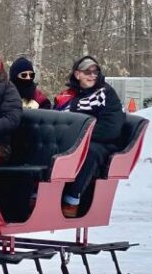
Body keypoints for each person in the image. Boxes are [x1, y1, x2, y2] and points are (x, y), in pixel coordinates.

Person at [54, 55, 125, 217]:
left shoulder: (105, 93)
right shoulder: (70, 95)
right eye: (88, 72)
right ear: (77, 74)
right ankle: (38, 195)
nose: (92, 75)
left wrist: (81, 137)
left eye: (95, 72)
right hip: (73, 139)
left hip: (102, 142)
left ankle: (72, 200)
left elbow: (112, 127)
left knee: (89, 152)